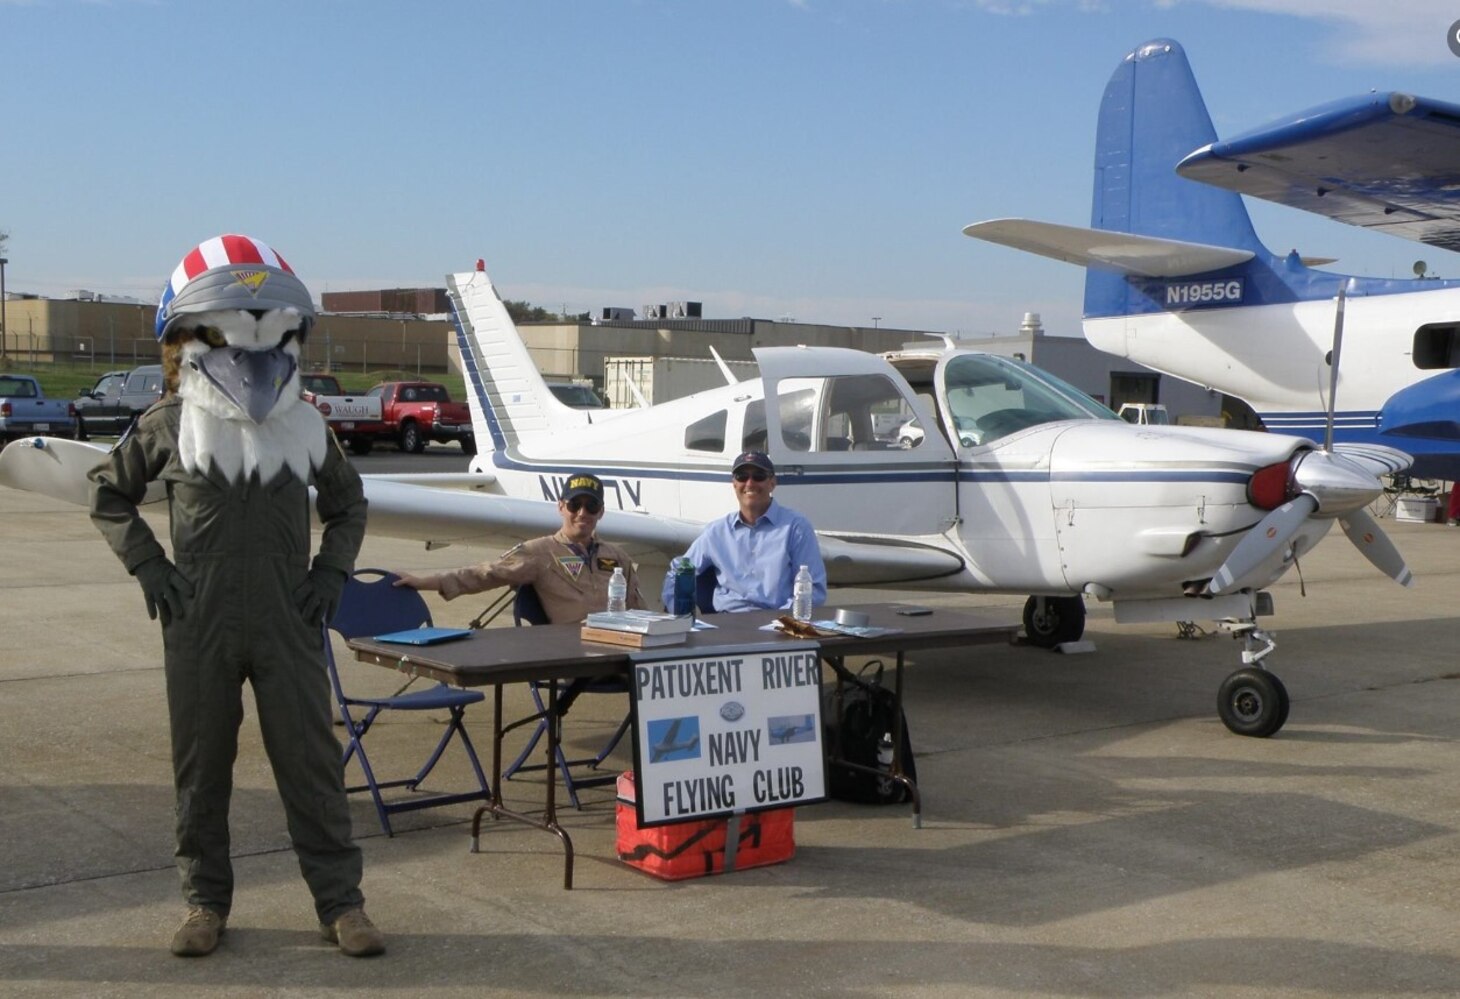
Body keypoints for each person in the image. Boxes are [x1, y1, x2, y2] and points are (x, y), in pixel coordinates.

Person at [88, 235, 383, 958]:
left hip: (287, 618)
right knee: (200, 769)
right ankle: (204, 904)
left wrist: (330, 575)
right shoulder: (168, 425)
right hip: (199, 622)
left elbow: (348, 504)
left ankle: (341, 905)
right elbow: (107, 494)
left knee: (312, 766)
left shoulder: (304, 427)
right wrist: (150, 567)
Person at [394, 472, 645, 622]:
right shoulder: (540, 552)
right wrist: (424, 582)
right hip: (572, 650)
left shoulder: (617, 557)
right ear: (561, 507)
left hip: (621, 646)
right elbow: (486, 574)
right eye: (574, 505)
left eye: (591, 507)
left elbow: (639, 610)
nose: (582, 513)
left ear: (601, 512)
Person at [662, 451, 827, 613]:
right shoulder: (716, 532)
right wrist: (679, 614)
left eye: (759, 476)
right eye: (742, 476)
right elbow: (678, 572)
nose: (750, 483)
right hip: (726, 623)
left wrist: (782, 619)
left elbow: (814, 591)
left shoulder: (796, 528)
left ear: (772, 483)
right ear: (734, 483)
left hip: (777, 622)